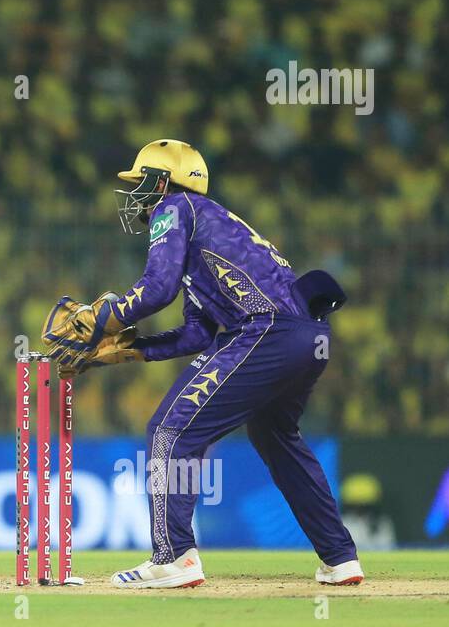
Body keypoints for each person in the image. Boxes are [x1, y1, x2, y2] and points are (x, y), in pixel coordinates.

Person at [42, 139, 363, 589]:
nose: (136, 194)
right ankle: (339, 556)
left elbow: (156, 289)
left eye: (141, 182)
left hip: (265, 330)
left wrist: (100, 318)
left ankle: (174, 557)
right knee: (275, 436)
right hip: (303, 337)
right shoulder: (208, 229)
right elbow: (196, 335)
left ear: (163, 181)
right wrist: (123, 352)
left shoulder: (175, 208)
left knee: (170, 430)